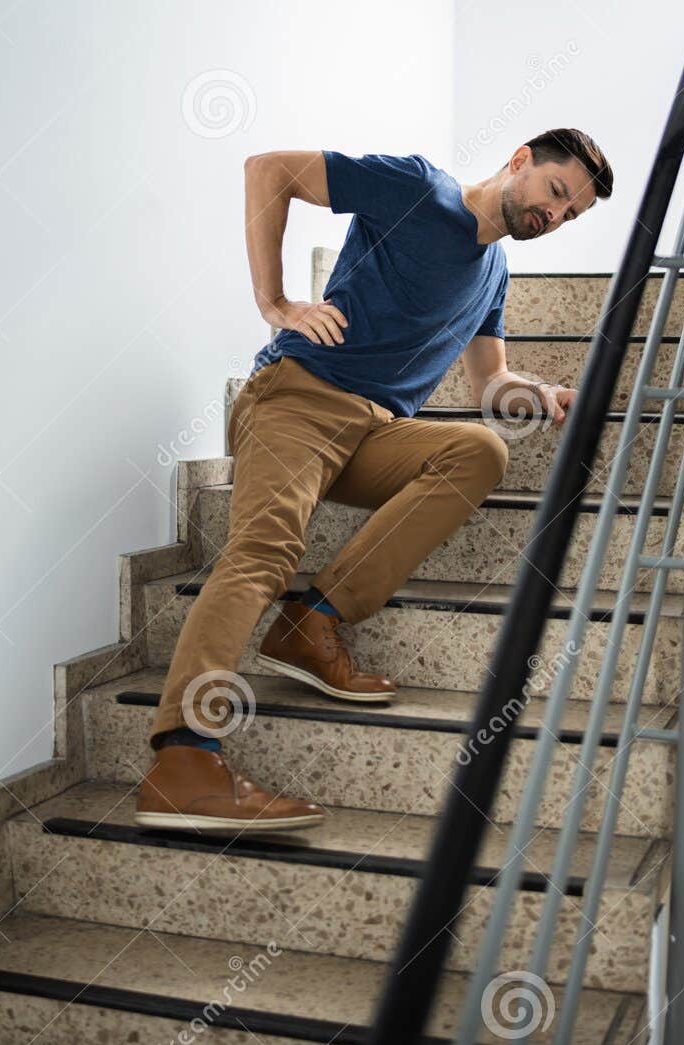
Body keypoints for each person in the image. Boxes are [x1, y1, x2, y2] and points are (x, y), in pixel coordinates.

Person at [135, 129, 614, 833]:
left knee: (481, 450)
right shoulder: (420, 189)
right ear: (520, 161)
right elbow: (268, 170)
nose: (555, 214)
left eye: (570, 214)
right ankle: (182, 759)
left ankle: (313, 621)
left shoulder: (494, 273)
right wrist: (277, 303)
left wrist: (536, 393)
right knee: (264, 551)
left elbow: (490, 383)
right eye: (556, 191)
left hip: (373, 431)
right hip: (297, 399)